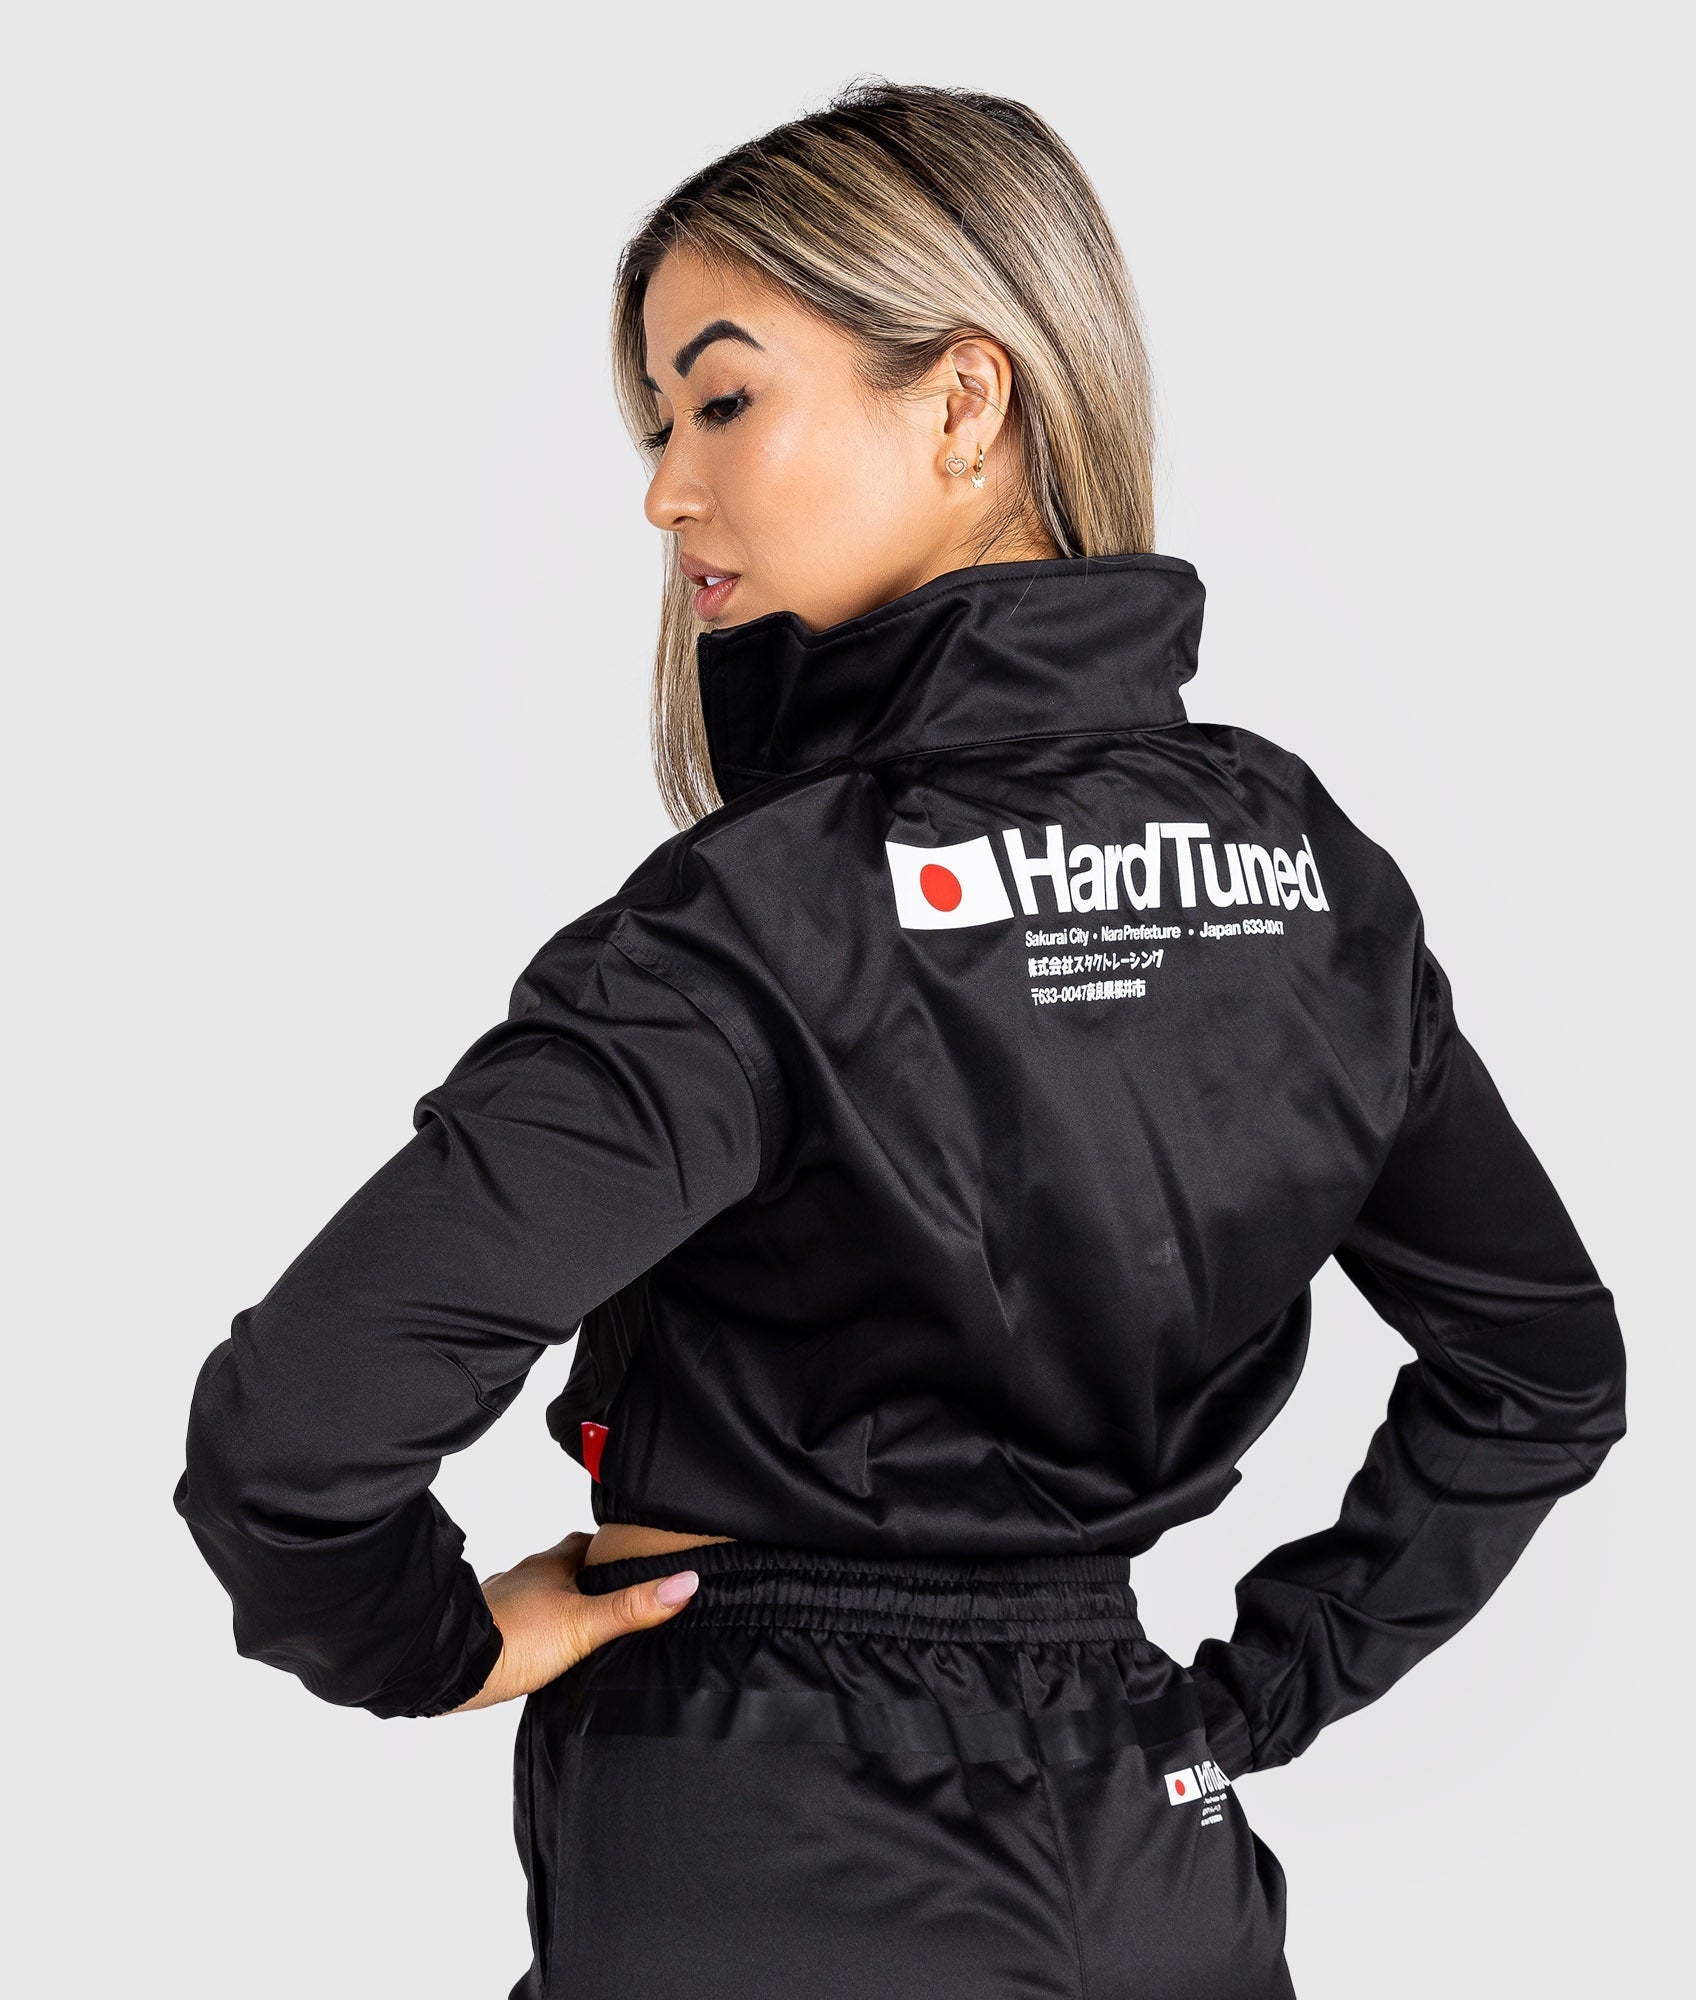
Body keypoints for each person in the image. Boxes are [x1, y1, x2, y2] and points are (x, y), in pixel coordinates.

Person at [174, 80, 1627, 2000]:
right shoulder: (1311, 878)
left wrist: (430, 1644)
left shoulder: (764, 921)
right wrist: (1234, 1714)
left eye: (719, 402)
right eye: (656, 426)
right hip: (1155, 1863)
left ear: (963, 400)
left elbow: (292, 1434)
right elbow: (1541, 1371)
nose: (665, 491)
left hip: (761, 1841)